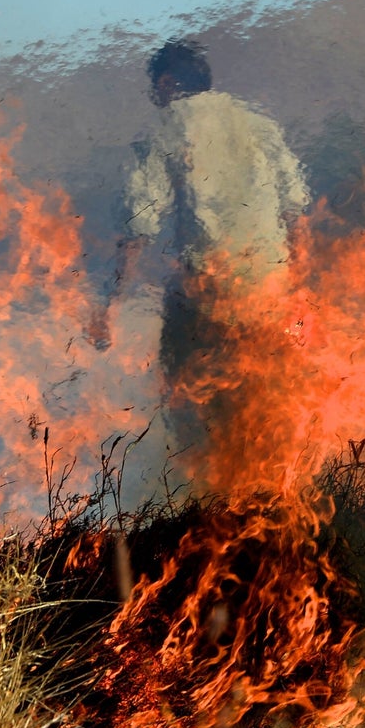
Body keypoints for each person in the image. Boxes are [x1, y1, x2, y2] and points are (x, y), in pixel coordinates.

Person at [104, 39, 311, 459]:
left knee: (186, 398)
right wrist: (300, 289)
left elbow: (140, 225)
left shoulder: (166, 128)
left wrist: (112, 304)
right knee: (268, 408)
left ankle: (198, 475)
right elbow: (296, 213)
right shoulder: (258, 124)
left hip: (209, 296)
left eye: (155, 88)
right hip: (272, 292)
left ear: (166, 83)